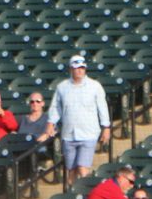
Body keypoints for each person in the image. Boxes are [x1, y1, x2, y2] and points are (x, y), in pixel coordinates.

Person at [45, 55, 110, 186]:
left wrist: (106, 127)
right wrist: (51, 123)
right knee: (71, 169)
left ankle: (86, 195)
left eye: (82, 68)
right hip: (69, 134)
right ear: (71, 69)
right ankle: (73, 196)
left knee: (82, 167)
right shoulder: (62, 87)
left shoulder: (94, 86)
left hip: (89, 133)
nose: (80, 70)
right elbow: (55, 107)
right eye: (76, 68)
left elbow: (102, 107)